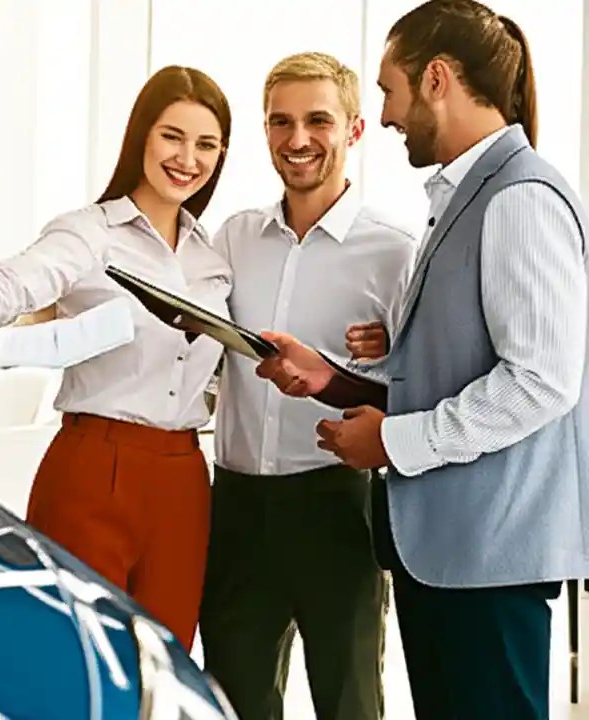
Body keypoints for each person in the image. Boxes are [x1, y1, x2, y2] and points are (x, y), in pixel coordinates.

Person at [254, 3, 589, 718]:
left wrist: (391, 442)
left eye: (388, 90)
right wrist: (333, 377)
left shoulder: (521, 197)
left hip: (489, 556)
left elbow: (540, 380)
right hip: (446, 553)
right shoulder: (463, 198)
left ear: (436, 79)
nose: (385, 114)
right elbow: (445, 366)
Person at [0, 66, 232, 649]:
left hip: (186, 480)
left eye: (207, 144)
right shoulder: (89, 234)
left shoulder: (214, 258)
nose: (188, 157)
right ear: (141, 134)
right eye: (172, 135)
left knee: (168, 668)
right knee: (78, 657)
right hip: (95, 470)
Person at [198, 52, 415, 720]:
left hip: (337, 510)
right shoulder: (232, 238)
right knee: (233, 703)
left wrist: (374, 365)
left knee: (350, 703)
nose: (297, 140)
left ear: (353, 129)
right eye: (280, 122)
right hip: (235, 510)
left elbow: (419, 390)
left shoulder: (394, 252)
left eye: (318, 120)